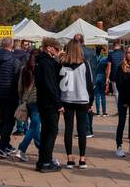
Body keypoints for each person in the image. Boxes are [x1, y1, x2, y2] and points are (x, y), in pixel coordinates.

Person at [0, 38, 22, 160]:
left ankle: (6, 144)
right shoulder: (13, 60)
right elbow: (18, 78)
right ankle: (1, 146)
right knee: (10, 120)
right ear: (11, 46)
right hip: (11, 93)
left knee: (3, 119)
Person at [59, 40, 92, 169]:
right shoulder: (85, 64)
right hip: (82, 99)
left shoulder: (62, 64)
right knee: (82, 129)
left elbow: (60, 83)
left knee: (68, 129)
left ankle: (69, 158)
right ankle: (82, 158)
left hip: (67, 99)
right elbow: (89, 84)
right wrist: (91, 101)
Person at [32, 38, 63, 172]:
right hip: (49, 103)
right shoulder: (46, 63)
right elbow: (50, 85)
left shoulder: (41, 61)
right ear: (49, 48)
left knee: (45, 132)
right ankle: (46, 161)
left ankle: (42, 161)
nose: (58, 51)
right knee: (51, 132)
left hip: (43, 102)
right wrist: (58, 103)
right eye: (56, 49)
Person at [14, 48, 43, 163]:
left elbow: (20, 87)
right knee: (34, 126)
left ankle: (40, 148)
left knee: (34, 125)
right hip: (37, 100)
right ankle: (22, 150)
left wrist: (22, 98)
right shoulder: (40, 69)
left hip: (28, 101)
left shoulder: (24, 69)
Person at [90, 46, 110, 118]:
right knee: (103, 95)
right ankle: (104, 112)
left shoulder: (93, 58)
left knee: (97, 96)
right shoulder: (105, 58)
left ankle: (98, 112)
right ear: (101, 51)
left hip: (95, 77)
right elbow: (108, 68)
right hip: (103, 77)